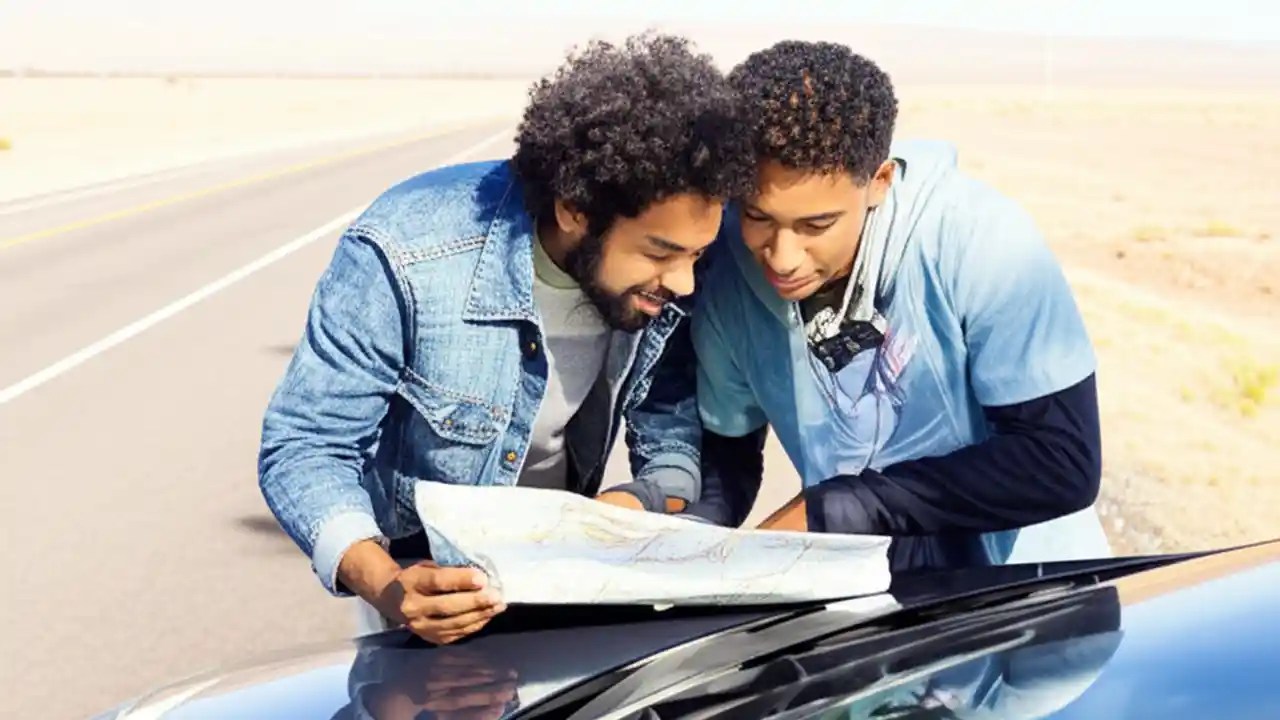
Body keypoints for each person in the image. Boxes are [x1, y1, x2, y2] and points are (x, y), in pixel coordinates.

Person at [258, 33, 754, 645]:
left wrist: (639, 502)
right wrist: (390, 585)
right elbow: (307, 443)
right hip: (423, 578)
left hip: (568, 579)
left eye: (696, 254)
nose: (683, 280)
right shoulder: (406, 252)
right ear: (575, 209)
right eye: (661, 253)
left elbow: (667, 412)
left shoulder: (675, 258)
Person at [686, 40, 1112, 568]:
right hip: (865, 610)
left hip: (1031, 600)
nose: (783, 257)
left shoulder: (979, 240)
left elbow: (1060, 462)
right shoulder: (724, 269)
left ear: (879, 181)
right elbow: (727, 460)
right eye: (758, 217)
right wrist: (674, 545)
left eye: (817, 225)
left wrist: (844, 509)